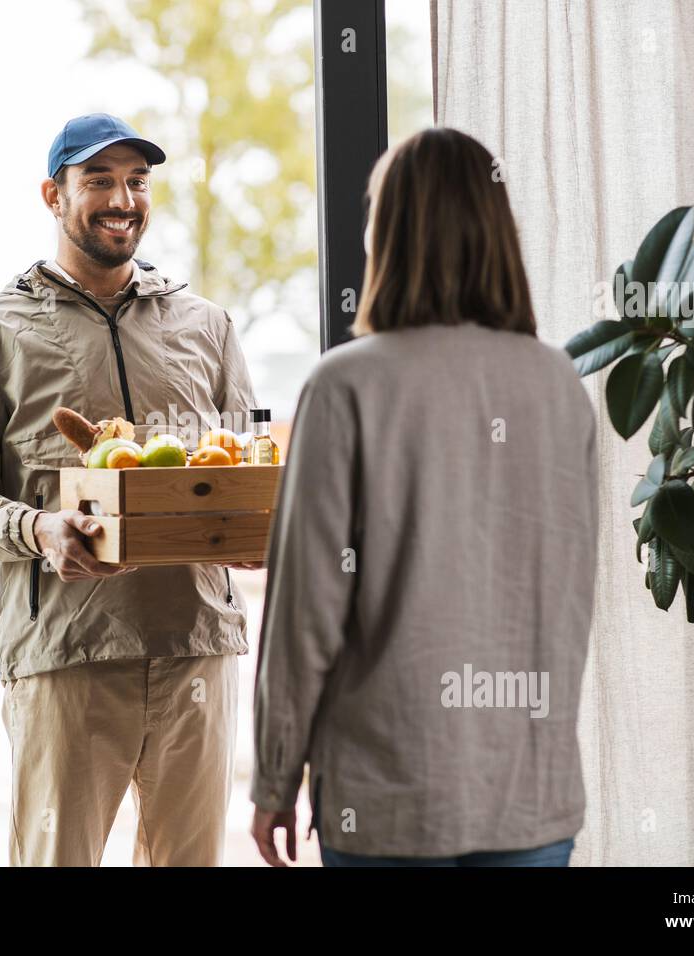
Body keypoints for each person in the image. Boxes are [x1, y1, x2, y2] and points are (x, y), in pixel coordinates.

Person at [248, 127, 599, 867]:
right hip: (531, 797)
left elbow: (306, 608)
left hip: (387, 800)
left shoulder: (345, 385)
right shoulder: (559, 384)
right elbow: (567, 591)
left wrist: (275, 776)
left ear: (389, 233)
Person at [0, 113, 261, 866]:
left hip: (195, 645)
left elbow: (241, 468)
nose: (123, 199)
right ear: (54, 194)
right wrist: (40, 531)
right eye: (99, 180)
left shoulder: (206, 325)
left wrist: (251, 529)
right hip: (68, 653)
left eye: (137, 181)